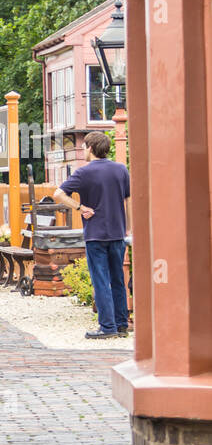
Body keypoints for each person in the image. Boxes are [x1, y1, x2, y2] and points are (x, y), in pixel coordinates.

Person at [52, 131, 131, 339]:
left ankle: (107, 327)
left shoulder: (84, 172)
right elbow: (128, 200)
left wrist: (80, 207)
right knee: (118, 280)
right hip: (117, 233)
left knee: (101, 281)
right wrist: (128, 227)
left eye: (84, 146)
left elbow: (58, 194)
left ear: (90, 148)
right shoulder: (121, 170)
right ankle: (122, 324)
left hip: (96, 234)